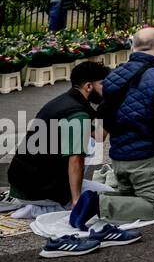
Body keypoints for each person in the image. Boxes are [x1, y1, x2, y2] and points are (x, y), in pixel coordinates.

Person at [69, 27, 154, 230]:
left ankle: (97, 201)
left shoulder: (114, 76)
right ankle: (97, 202)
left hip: (119, 157)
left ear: (133, 47)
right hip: (148, 158)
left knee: (131, 199)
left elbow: (104, 114)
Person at [6, 62, 116, 220]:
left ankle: (42, 204)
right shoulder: (77, 113)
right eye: (103, 84)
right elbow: (75, 160)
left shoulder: (68, 101)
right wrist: (76, 200)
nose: (107, 89)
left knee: (102, 191)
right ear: (89, 86)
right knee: (107, 199)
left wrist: (108, 109)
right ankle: (39, 210)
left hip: (25, 183)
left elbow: (98, 136)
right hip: (37, 189)